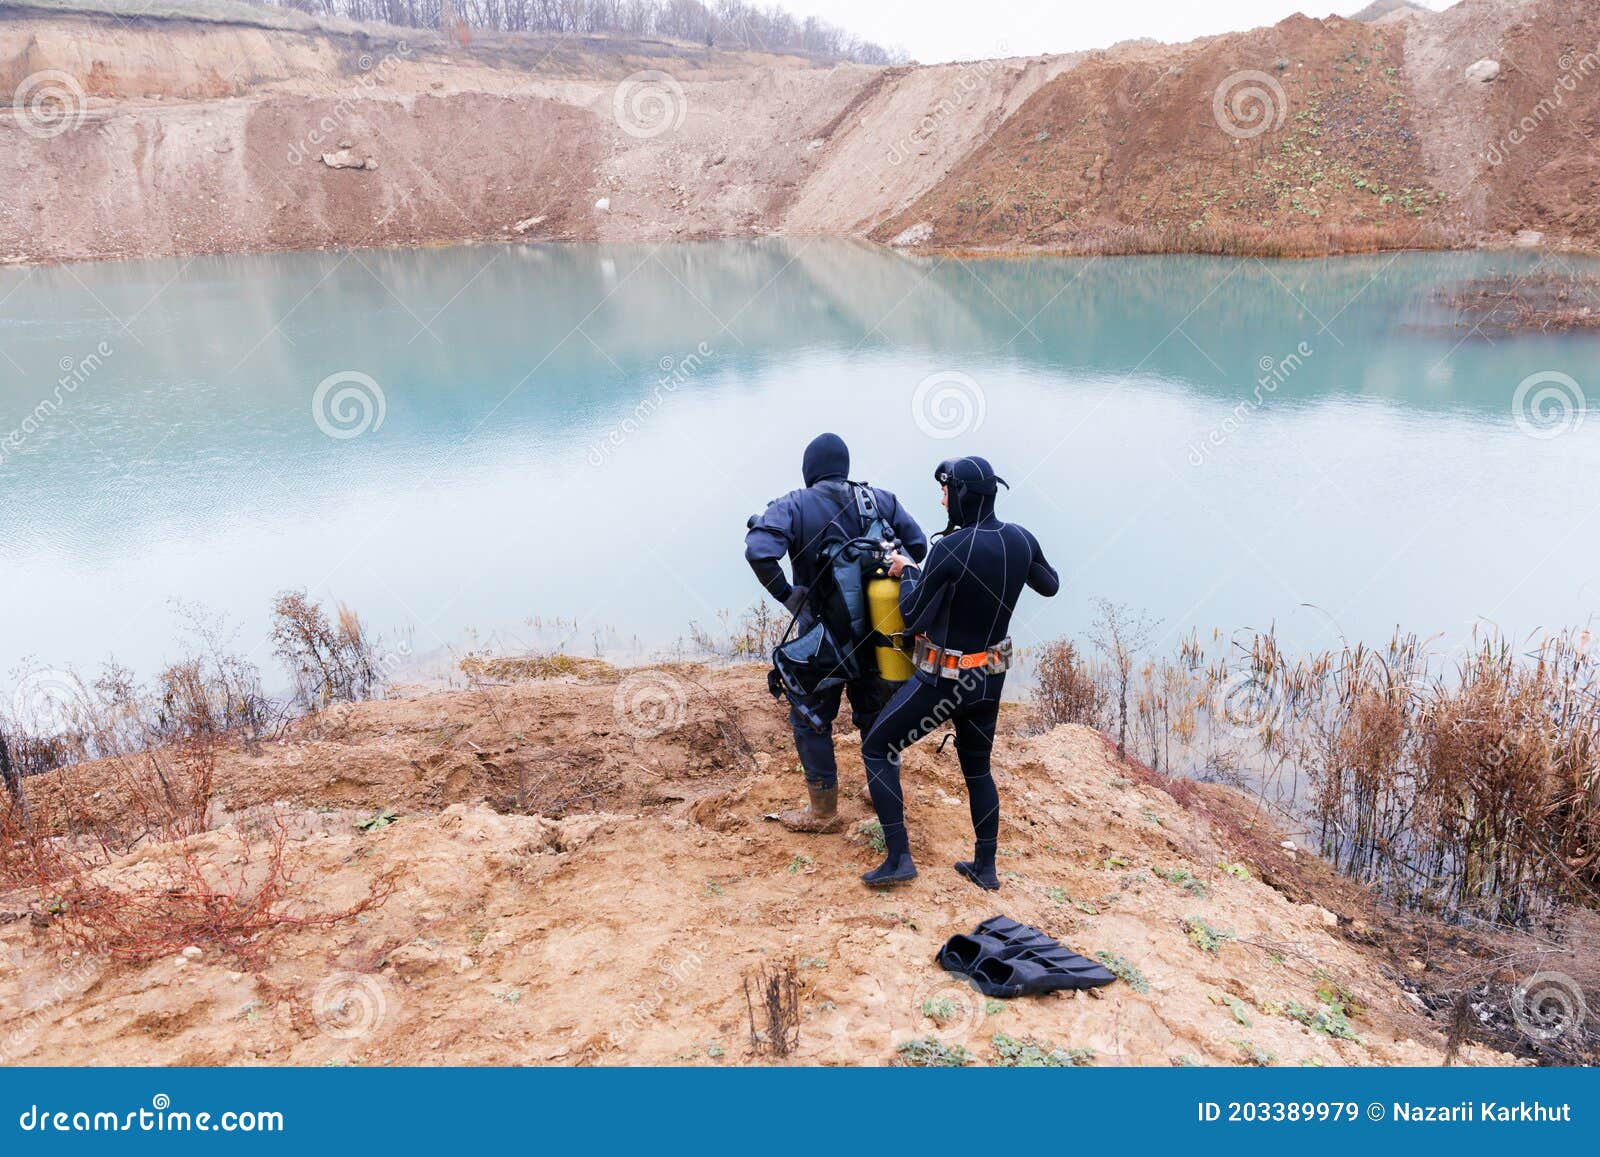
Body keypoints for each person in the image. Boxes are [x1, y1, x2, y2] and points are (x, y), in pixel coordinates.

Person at [859, 456, 1059, 889]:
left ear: (963, 494)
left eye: (946, 490)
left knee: (878, 748)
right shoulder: (1021, 539)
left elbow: (910, 616)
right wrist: (1017, 563)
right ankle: (985, 869)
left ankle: (898, 859)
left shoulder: (950, 549)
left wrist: (910, 570)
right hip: (989, 679)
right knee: (978, 770)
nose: (942, 498)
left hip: (944, 682)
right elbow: (1049, 584)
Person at [745, 433, 927, 833]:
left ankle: (824, 811)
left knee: (810, 718)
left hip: (823, 641)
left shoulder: (793, 504)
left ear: (810, 470)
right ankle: (880, 791)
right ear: (844, 466)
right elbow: (918, 545)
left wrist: (789, 596)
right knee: (877, 717)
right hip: (880, 634)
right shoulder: (881, 499)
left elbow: (759, 551)